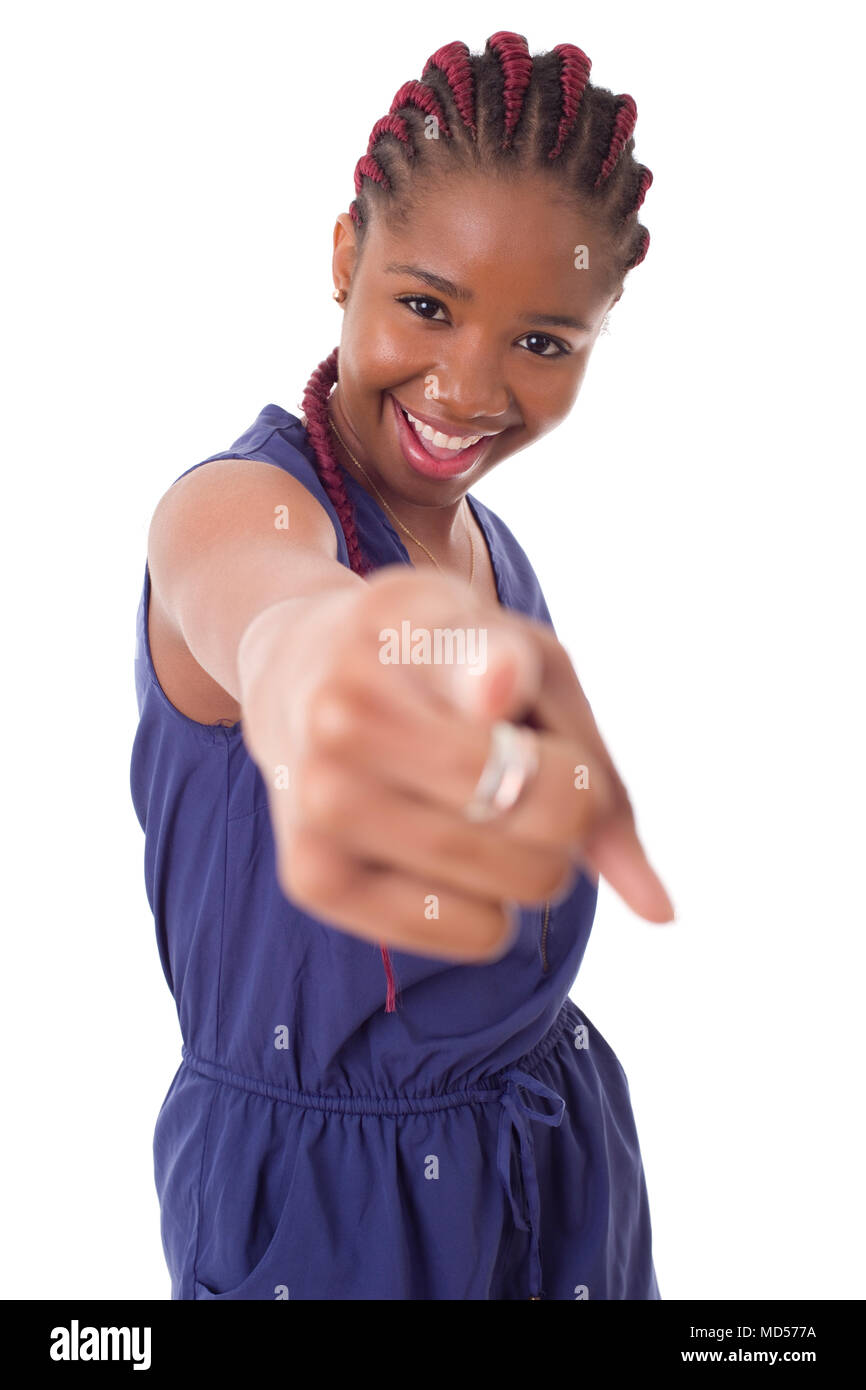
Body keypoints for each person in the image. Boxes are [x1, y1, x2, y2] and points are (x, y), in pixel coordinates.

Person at [130, 31, 672, 1301]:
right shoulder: (239, 508)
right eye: (425, 306)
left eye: (543, 341)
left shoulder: (493, 547)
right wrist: (305, 657)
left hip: (554, 1143)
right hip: (322, 1213)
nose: (468, 386)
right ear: (343, 258)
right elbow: (264, 602)